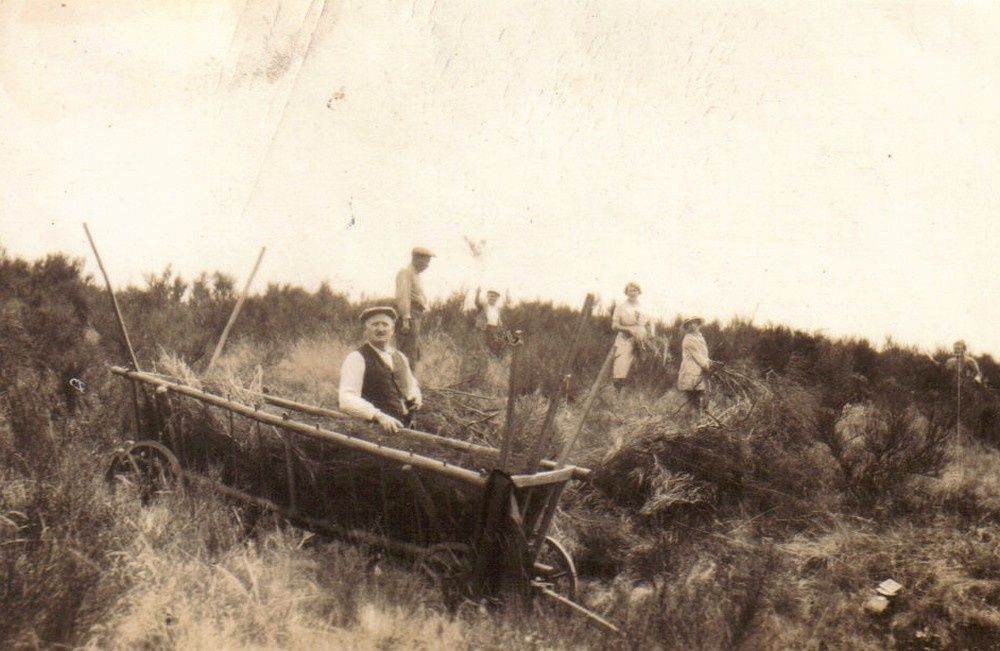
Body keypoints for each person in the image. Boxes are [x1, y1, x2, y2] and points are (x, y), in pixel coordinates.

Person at [338, 306, 422, 433]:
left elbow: (412, 386)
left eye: (385, 324)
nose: (381, 329)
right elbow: (346, 399)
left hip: (405, 428)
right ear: (365, 330)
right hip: (374, 430)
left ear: (392, 330)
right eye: (375, 324)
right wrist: (378, 416)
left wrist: (415, 398)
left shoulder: (400, 357)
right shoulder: (356, 358)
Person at [395, 247, 434, 370]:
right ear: (416, 258)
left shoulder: (416, 275)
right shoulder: (405, 273)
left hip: (416, 315)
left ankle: (409, 382)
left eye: (428, 262)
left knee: (414, 352)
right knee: (408, 352)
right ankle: (404, 384)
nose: (427, 265)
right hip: (410, 315)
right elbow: (403, 295)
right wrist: (405, 318)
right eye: (425, 261)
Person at [611, 282, 652, 392]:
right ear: (626, 292)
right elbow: (614, 325)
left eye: (635, 290)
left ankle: (638, 394)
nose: (632, 293)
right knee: (621, 367)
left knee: (642, 365)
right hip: (625, 339)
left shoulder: (643, 307)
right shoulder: (621, 307)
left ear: (639, 292)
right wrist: (628, 329)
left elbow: (649, 322)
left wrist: (651, 334)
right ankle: (618, 393)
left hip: (641, 339)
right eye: (630, 290)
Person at [677, 316, 717, 414]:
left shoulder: (699, 337)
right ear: (687, 327)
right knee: (693, 395)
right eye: (689, 324)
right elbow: (697, 356)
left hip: (700, 368)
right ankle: (692, 419)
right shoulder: (688, 339)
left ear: (698, 324)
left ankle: (698, 418)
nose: (692, 326)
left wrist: (710, 362)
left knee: (700, 395)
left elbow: (703, 354)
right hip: (691, 369)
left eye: (694, 323)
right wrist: (707, 366)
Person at [474, 287, 505, 355]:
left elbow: (499, 320)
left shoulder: (498, 309)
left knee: (493, 346)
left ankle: (492, 362)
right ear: (487, 297)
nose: (493, 298)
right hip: (484, 328)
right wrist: (477, 293)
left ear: (497, 299)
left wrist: (500, 326)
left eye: (495, 297)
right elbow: (477, 303)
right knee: (481, 346)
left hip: (494, 329)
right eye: (491, 296)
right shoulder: (483, 306)